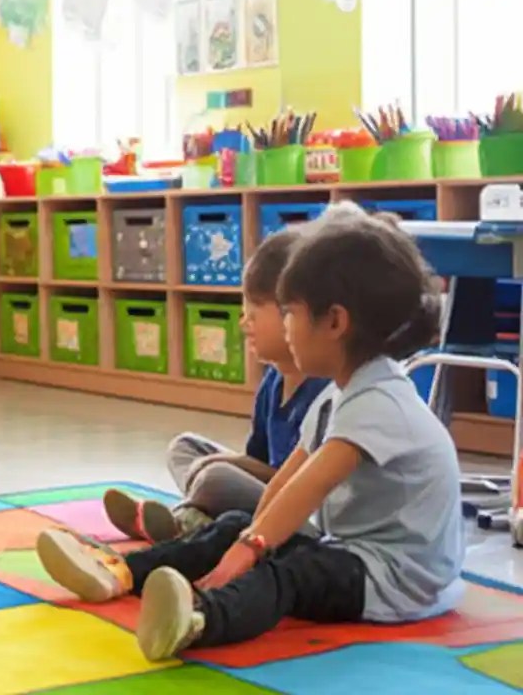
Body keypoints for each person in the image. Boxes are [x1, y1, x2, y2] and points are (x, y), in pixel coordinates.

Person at [36, 203, 463, 662]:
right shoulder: (339, 394)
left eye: (290, 313)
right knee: (237, 526)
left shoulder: (380, 401)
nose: (285, 326)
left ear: (335, 322)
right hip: (354, 552)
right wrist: (246, 536)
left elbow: (311, 486)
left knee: (289, 574)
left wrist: (249, 552)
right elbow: (286, 481)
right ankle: (119, 571)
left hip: (399, 580)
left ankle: (199, 618)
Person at [103, 228, 331, 542]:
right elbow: (258, 460)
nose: (244, 323)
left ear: (292, 315)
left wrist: (229, 464)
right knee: (185, 447)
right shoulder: (273, 380)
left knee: (215, 478)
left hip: (298, 513)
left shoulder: (323, 391)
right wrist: (231, 464)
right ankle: (197, 519)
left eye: (253, 313)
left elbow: (304, 483)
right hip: (264, 494)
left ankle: (185, 524)